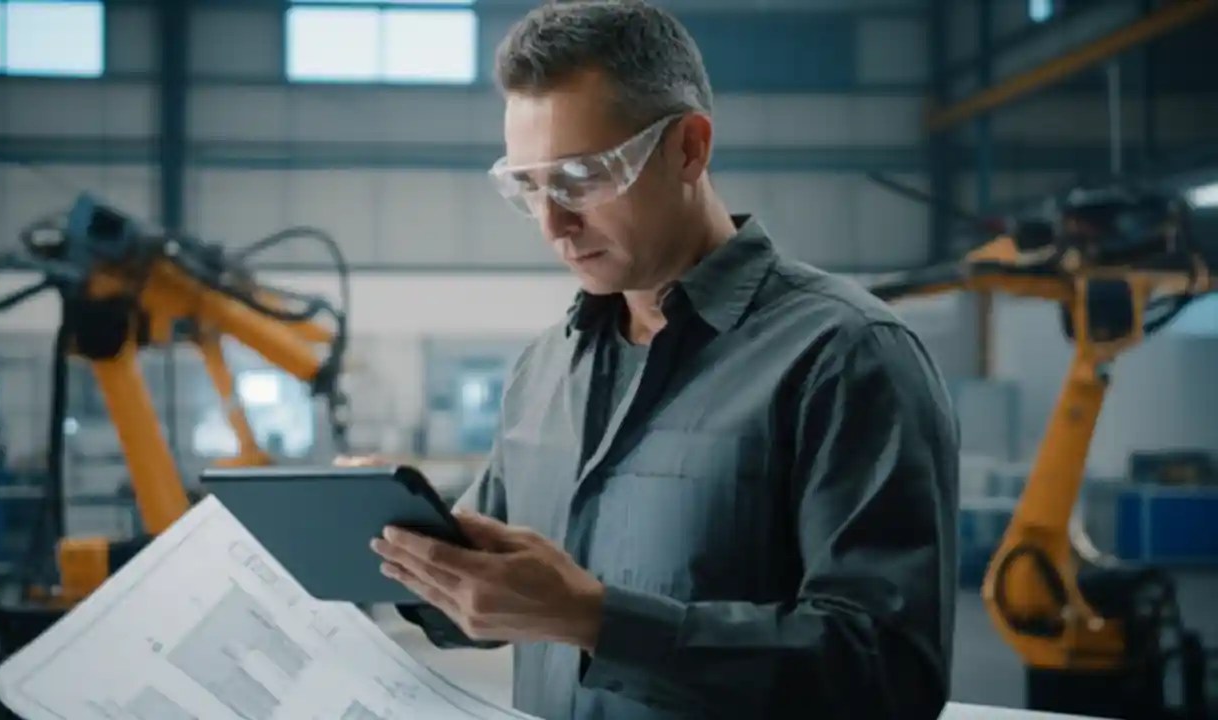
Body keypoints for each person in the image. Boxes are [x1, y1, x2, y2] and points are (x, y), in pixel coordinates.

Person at [366, 1, 960, 718]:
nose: (554, 223)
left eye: (580, 176)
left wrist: (595, 621)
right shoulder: (544, 371)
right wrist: (394, 546)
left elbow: (889, 674)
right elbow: (493, 593)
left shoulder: (843, 356)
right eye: (528, 186)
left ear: (689, 148)